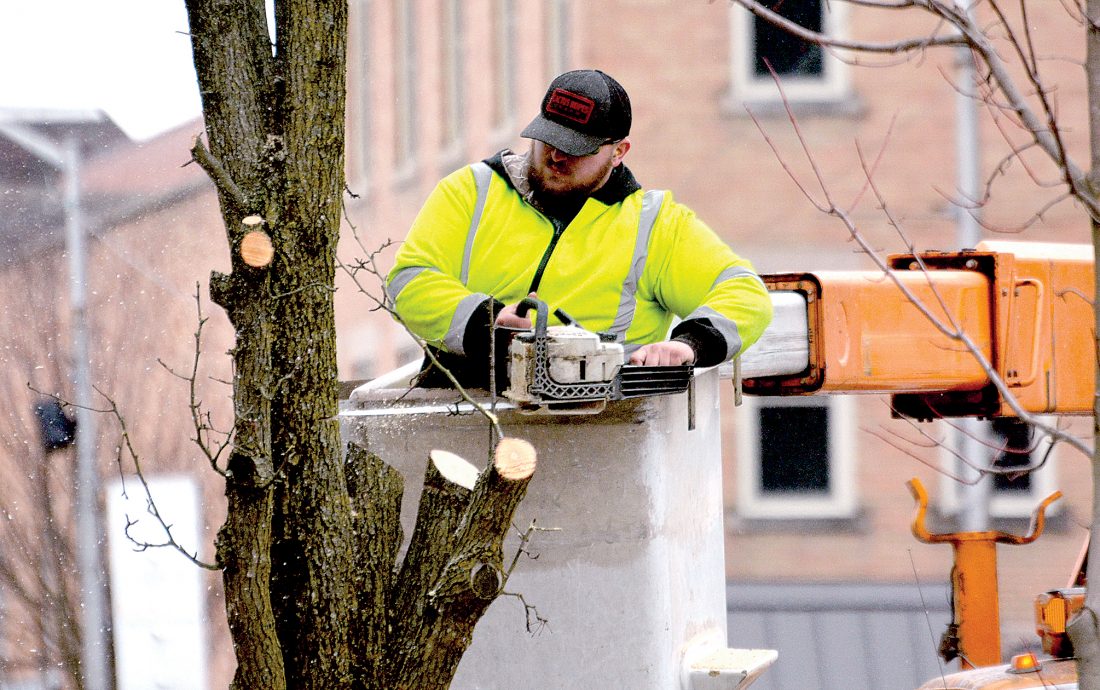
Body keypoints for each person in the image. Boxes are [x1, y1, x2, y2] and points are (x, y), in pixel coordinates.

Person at [386, 69, 773, 389]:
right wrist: (490, 321)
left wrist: (689, 346)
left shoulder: (654, 226)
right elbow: (409, 281)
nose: (555, 155)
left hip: (599, 434)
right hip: (464, 420)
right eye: (549, 138)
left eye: (576, 147)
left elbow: (745, 294)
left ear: (619, 152)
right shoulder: (471, 191)